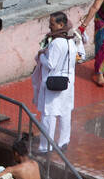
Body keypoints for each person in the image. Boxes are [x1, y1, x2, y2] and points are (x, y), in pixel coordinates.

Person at [32, 12, 81, 151]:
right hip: (68, 82)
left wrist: (41, 55)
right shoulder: (71, 41)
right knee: (65, 112)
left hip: (52, 82)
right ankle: (64, 142)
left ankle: (45, 147)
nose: (49, 26)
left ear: (61, 25)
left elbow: (51, 64)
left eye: (52, 24)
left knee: (49, 115)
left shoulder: (56, 43)